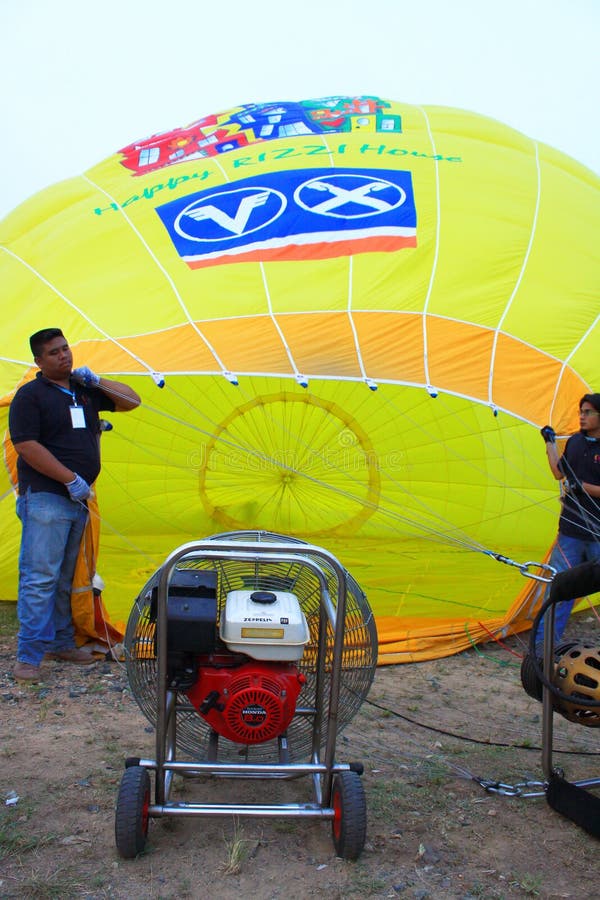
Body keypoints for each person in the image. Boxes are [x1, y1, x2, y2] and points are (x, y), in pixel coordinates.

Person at [9, 328, 141, 682]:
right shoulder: (30, 395)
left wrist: (99, 381)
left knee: (66, 577)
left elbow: (133, 401)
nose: (63, 356)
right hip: (48, 498)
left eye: (66, 349)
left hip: (77, 501)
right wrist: (69, 478)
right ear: (39, 361)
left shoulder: (85, 390)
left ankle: (61, 641)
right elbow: (26, 445)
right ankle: (29, 655)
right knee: (40, 578)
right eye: (54, 353)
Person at [538, 393, 600, 644]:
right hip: (571, 533)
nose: (582, 417)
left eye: (587, 412)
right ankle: (542, 649)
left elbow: (576, 483)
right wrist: (549, 443)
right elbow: (558, 473)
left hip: (597, 535)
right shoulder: (574, 441)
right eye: (580, 412)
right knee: (558, 588)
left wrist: (582, 486)